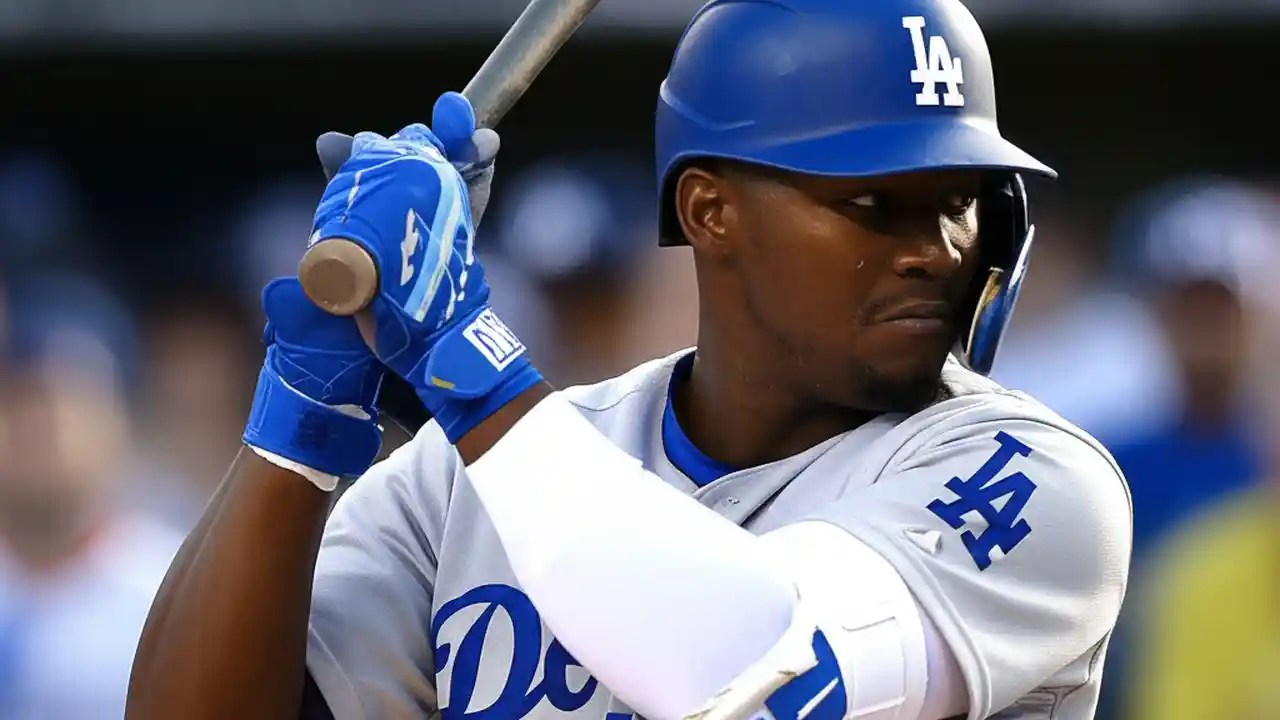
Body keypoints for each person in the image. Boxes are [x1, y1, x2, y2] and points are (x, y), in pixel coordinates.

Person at [126, 1, 1132, 719]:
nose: (937, 246)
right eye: (870, 201)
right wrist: (297, 423)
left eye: (956, 197)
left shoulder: (1037, 479)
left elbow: (759, 675)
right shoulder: (463, 483)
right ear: (709, 210)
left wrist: (459, 348)